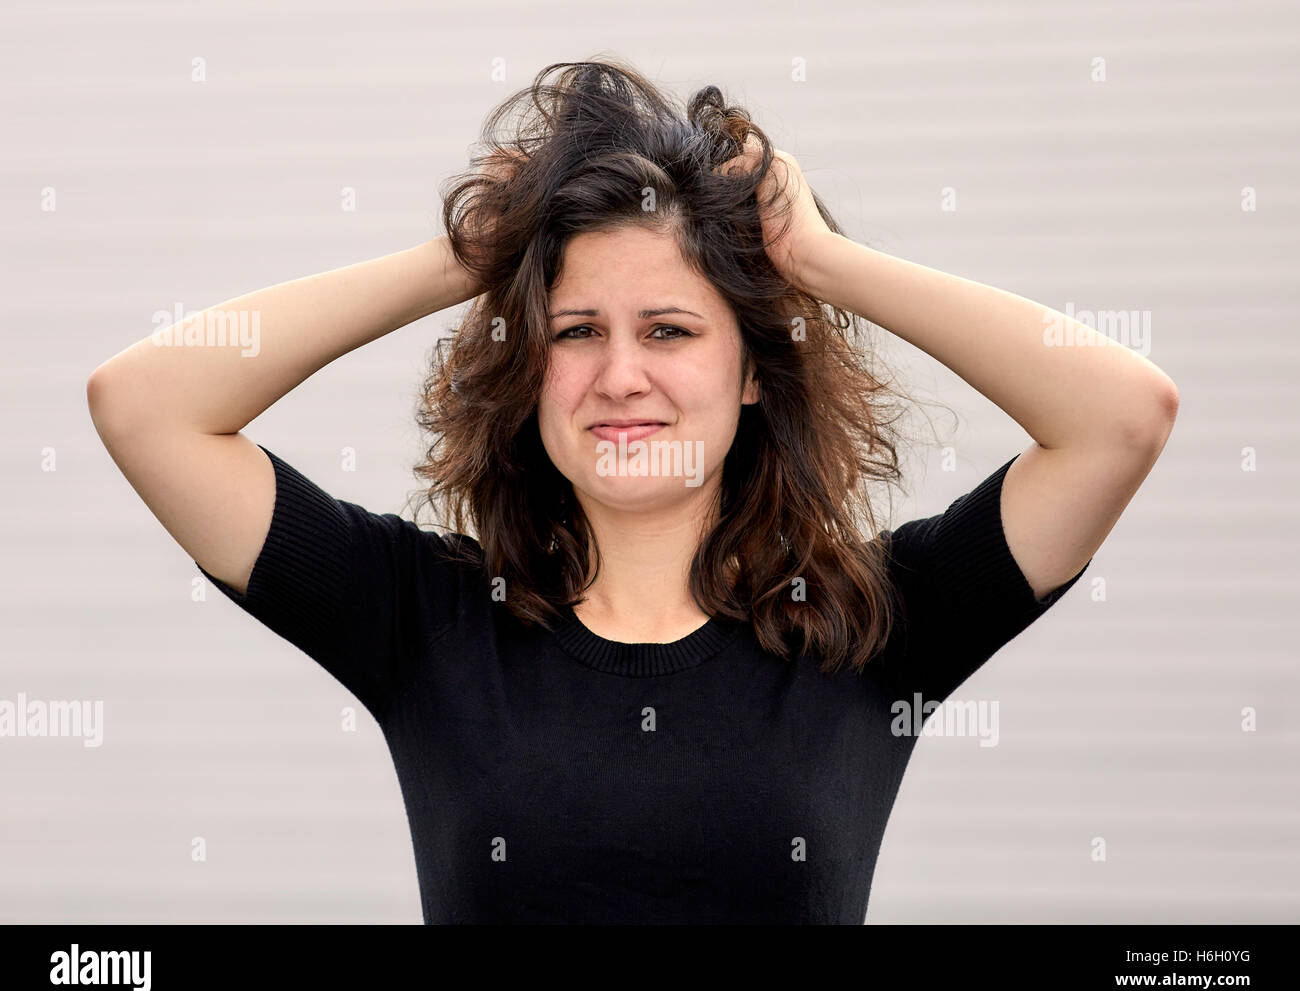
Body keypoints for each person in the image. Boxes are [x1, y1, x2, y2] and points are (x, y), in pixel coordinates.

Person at [85, 58, 1178, 924]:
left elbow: (1120, 417)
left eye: (668, 329)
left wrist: (822, 262)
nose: (620, 377)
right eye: (575, 332)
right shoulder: (424, 619)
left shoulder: (871, 623)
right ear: (530, 368)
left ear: (754, 370)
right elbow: (144, 407)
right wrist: (469, 255)